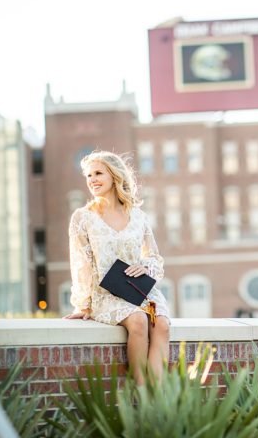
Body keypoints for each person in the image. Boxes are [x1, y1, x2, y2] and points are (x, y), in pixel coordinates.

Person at [64, 150, 170, 385]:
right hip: (107, 295)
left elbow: (154, 257)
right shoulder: (83, 217)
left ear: (114, 176)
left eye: (98, 173)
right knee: (139, 321)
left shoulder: (138, 216)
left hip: (140, 292)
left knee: (161, 323)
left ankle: (159, 401)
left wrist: (144, 267)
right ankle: (142, 397)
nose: (92, 179)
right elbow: (81, 263)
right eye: (89, 175)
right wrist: (84, 304)